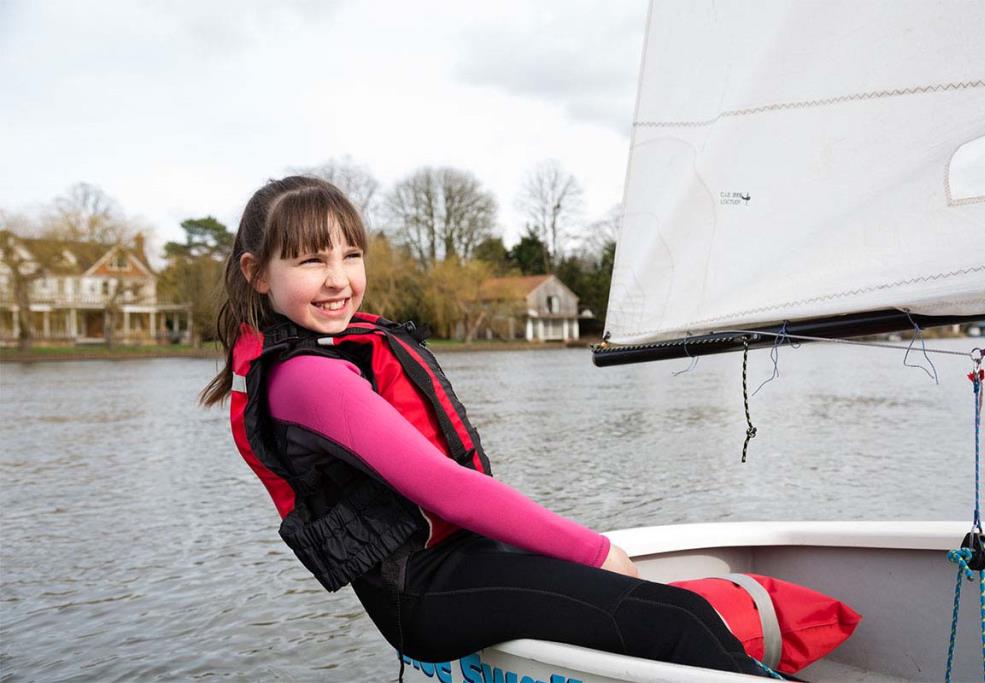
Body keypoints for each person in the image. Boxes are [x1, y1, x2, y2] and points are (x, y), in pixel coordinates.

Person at [201, 176, 768, 680]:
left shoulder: (317, 357)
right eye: (310, 261)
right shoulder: (308, 379)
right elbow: (444, 486)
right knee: (676, 619)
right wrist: (596, 552)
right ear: (257, 274)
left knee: (681, 616)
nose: (338, 279)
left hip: (455, 563)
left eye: (351, 255)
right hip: (424, 589)